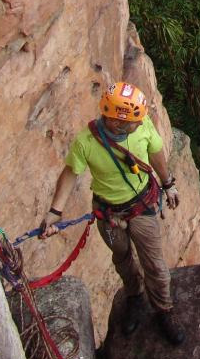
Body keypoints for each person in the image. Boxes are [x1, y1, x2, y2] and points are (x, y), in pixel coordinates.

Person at [39, 82, 185, 345]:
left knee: (154, 263)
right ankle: (135, 297)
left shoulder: (142, 125)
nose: (139, 124)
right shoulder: (87, 142)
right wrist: (54, 212)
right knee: (122, 257)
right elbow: (71, 172)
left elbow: (156, 154)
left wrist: (169, 183)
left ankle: (164, 310)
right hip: (109, 212)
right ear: (117, 122)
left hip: (141, 204)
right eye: (133, 121)